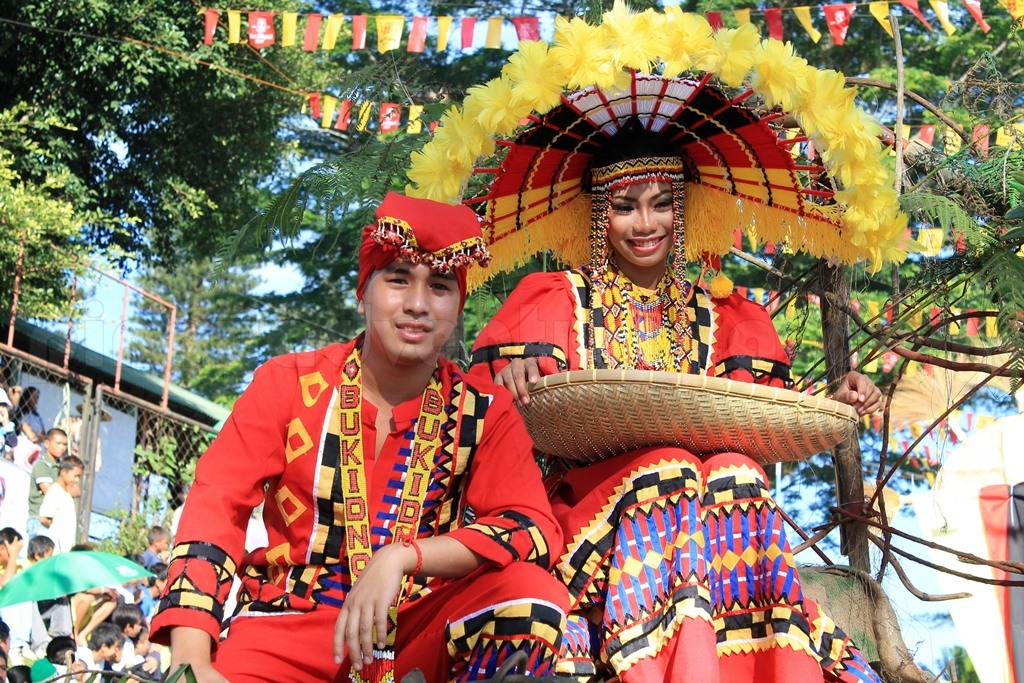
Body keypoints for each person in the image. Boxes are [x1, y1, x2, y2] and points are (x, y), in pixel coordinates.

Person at [469, 119, 884, 682]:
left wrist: (834, 398)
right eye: (626, 207)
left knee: (736, 469)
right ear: (598, 215)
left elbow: (763, 409)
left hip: (703, 512)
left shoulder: (721, 312)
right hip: (590, 506)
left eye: (662, 204)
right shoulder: (558, 300)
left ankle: (765, 670)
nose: (646, 224)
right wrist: (513, 376)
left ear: (681, 211)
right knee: (669, 469)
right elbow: (483, 415)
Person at [151, 192, 568, 683]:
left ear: (458, 305)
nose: (417, 304)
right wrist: (192, 659)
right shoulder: (287, 385)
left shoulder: (485, 411)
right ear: (363, 291)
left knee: (530, 592)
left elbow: (531, 527)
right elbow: (215, 508)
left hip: (417, 633)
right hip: (285, 634)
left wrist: (403, 558)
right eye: (397, 280)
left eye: (439, 286)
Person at [26, 429, 68, 539]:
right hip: (39, 520)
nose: (62, 447)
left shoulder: (60, 467)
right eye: (58, 443)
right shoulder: (42, 466)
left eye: (65, 444)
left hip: (53, 522)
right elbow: (51, 493)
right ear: (46, 443)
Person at [38, 456, 84, 554]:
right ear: (63, 472)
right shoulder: (55, 492)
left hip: (65, 550)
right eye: (75, 476)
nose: (76, 480)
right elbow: (44, 518)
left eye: (78, 477)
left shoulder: (67, 495)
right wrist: (56, 532)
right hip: (55, 550)